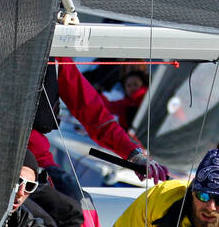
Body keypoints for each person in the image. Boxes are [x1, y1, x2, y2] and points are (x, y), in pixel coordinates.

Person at [31, 52, 168, 201]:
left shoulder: (56, 58)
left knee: (78, 205)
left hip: (35, 158)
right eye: (130, 85)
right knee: (69, 204)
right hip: (19, 159)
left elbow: (95, 115)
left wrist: (135, 155)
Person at [0, 153, 89, 227]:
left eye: (29, 186)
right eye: (17, 181)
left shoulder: (20, 217)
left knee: (70, 214)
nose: (21, 193)